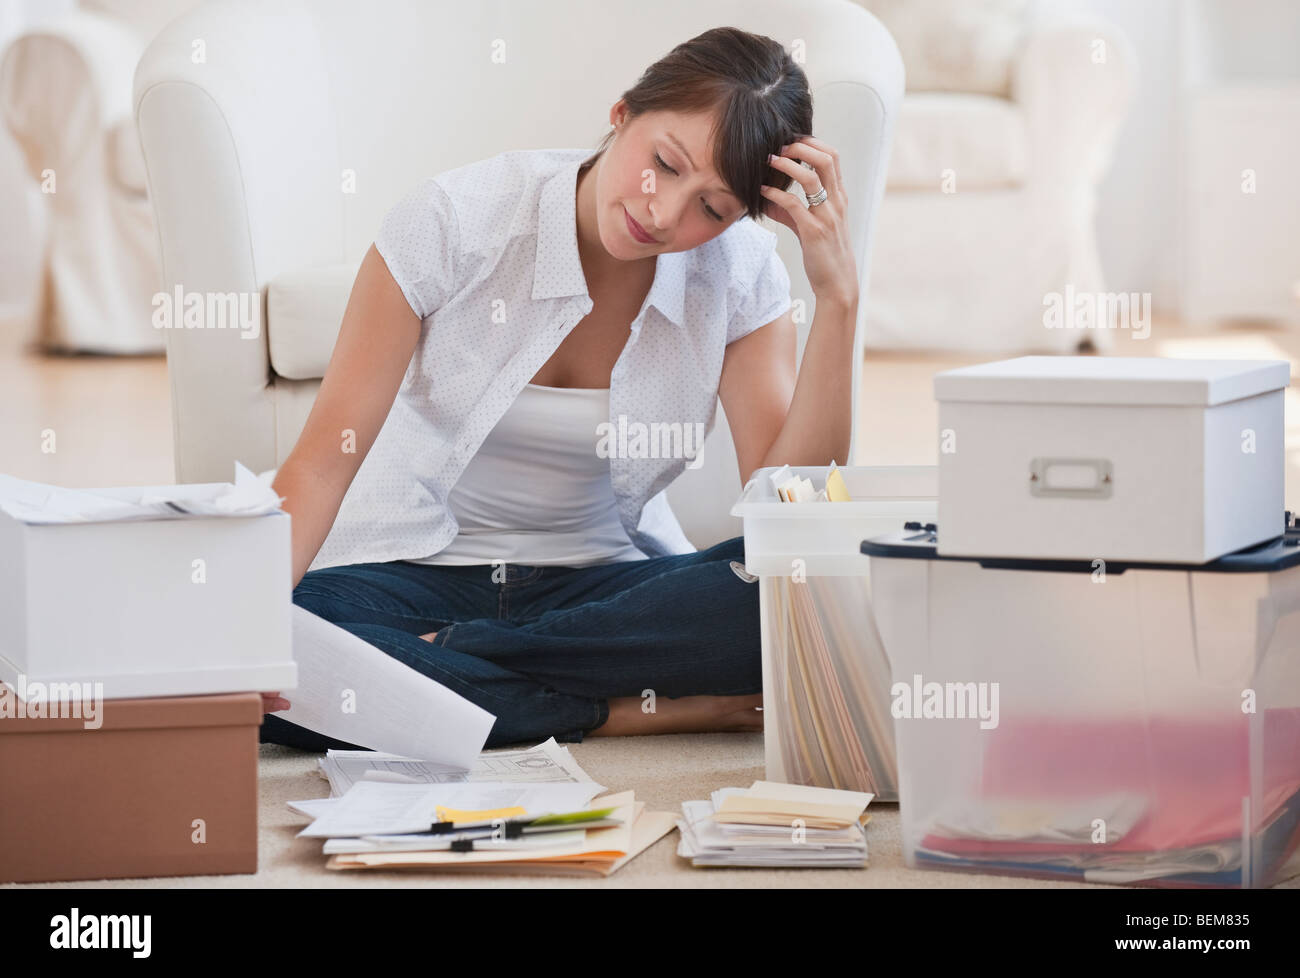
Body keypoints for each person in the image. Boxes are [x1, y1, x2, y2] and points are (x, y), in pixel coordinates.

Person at [259, 26, 858, 751]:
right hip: (405, 574)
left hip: (601, 589)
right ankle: (628, 710)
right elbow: (322, 463)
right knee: (283, 653)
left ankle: (438, 665)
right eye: (664, 164)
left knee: (788, 590)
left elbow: (788, 510)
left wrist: (838, 300)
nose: (664, 214)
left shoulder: (741, 272)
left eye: (713, 208)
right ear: (622, 112)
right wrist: (249, 627)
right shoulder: (453, 219)